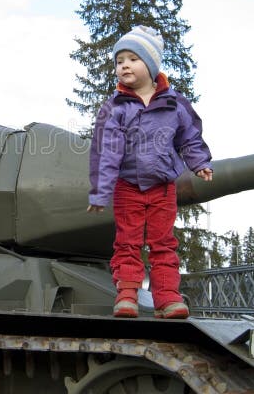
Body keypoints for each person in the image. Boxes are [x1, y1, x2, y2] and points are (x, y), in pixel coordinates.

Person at [87, 25, 213, 319]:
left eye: (132, 58)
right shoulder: (116, 108)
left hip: (162, 188)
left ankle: (167, 298)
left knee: (163, 243)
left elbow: (190, 137)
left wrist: (200, 162)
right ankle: (127, 295)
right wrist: (101, 191)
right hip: (127, 187)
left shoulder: (174, 104)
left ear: (151, 64)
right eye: (119, 61)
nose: (124, 66)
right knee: (127, 243)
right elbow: (107, 153)